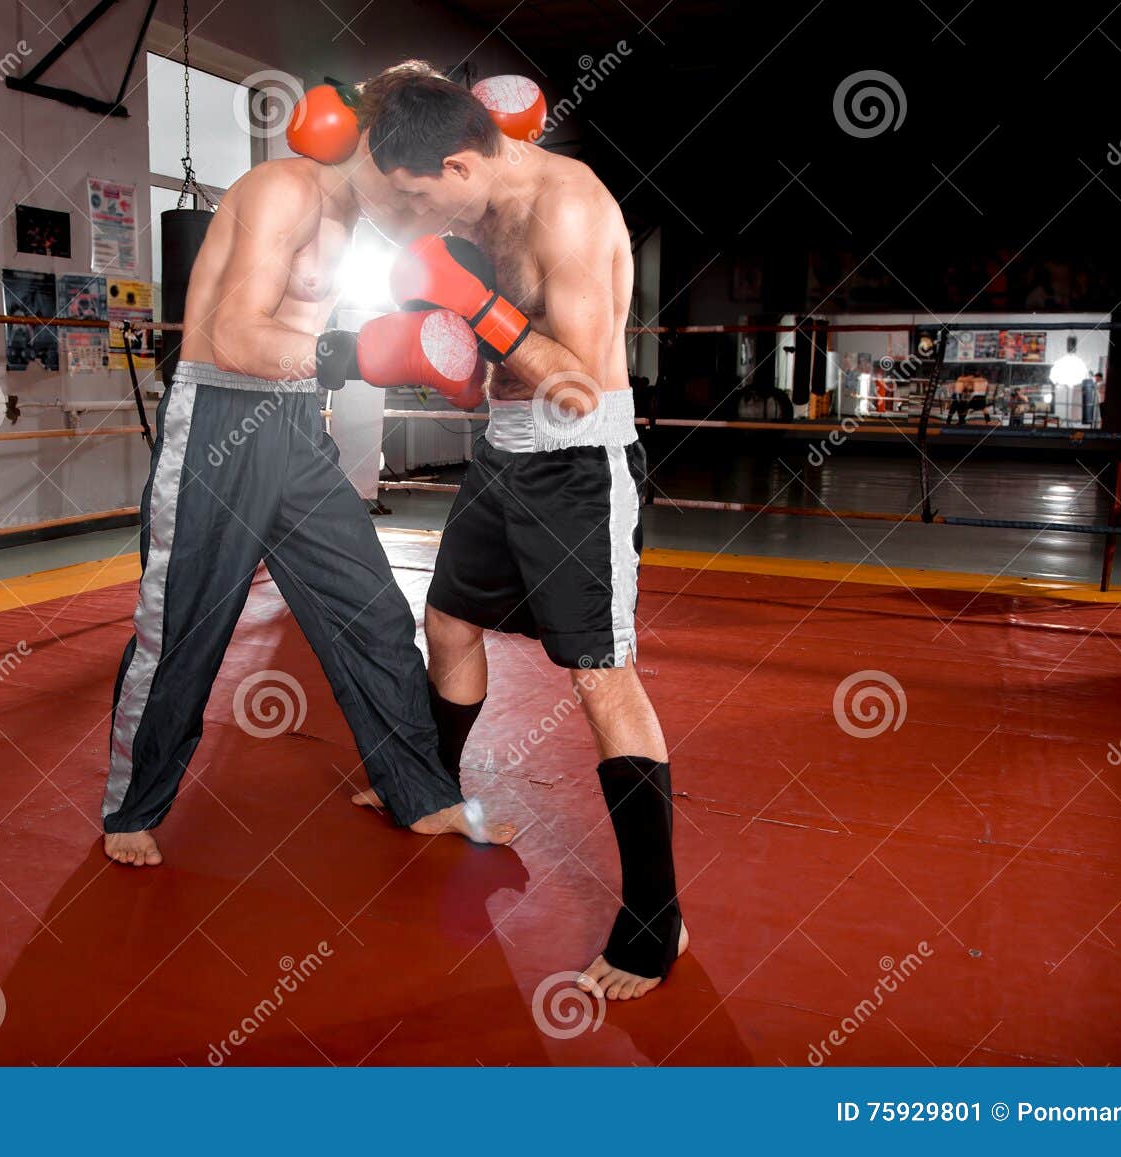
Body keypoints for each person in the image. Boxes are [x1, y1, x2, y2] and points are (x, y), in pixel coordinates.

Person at [101, 68, 515, 867]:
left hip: (294, 424)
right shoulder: (280, 191)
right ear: (383, 159)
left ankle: (420, 791)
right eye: (421, 193)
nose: (423, 211)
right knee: (184, 626)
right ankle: (132, 805)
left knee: (373, 610)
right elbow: (231, 337)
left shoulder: (361, 221)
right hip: (220, 415)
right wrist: (362, 353)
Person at [353, 70, 687, 1001]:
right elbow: (495, 353)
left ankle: (657, 916)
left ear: (461, 163)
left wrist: (473, 308)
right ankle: (431, 789)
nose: (419, 216)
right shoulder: (474, 191)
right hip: (505, 453)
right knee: (450, 619)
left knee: (600, 675)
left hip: (578, 460)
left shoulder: (565, 212)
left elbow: (578, 384)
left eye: (422, 195)